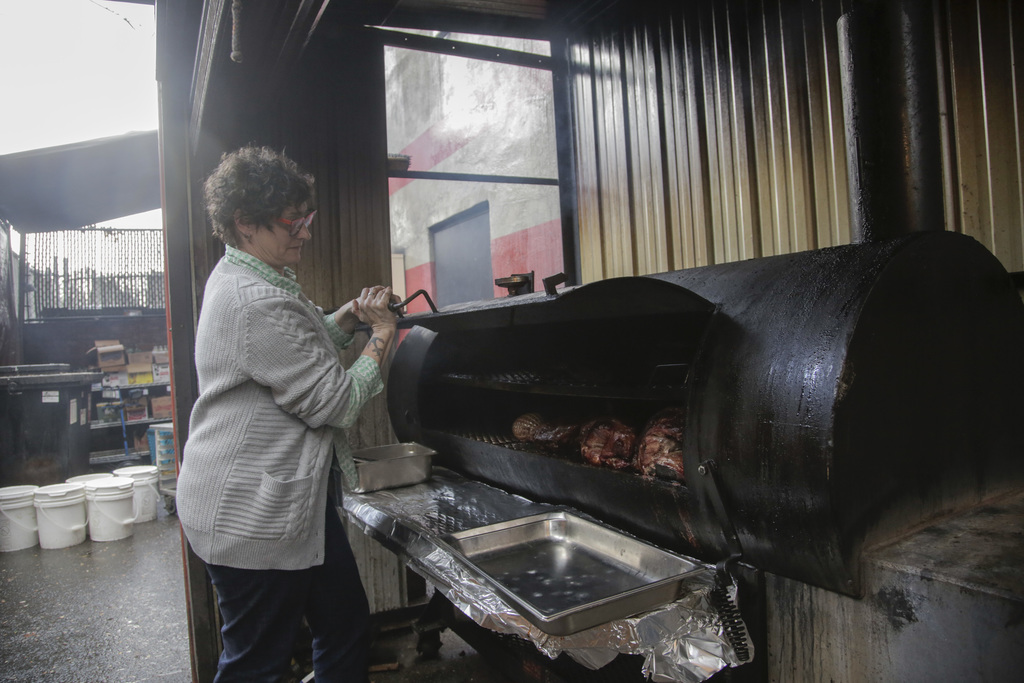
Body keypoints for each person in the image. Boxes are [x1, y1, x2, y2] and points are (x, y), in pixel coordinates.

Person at [176, 145, 398, 683]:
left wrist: (344, 319)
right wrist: (381, 339)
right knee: (257, 664)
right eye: (291, 223)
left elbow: (294, 346)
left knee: (343, 626)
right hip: (250, 514)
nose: (304, 232)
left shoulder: (251, 275)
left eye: (307, 218)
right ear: (244, 223)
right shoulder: (255, 300)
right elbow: (336, 403)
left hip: (291, 504)